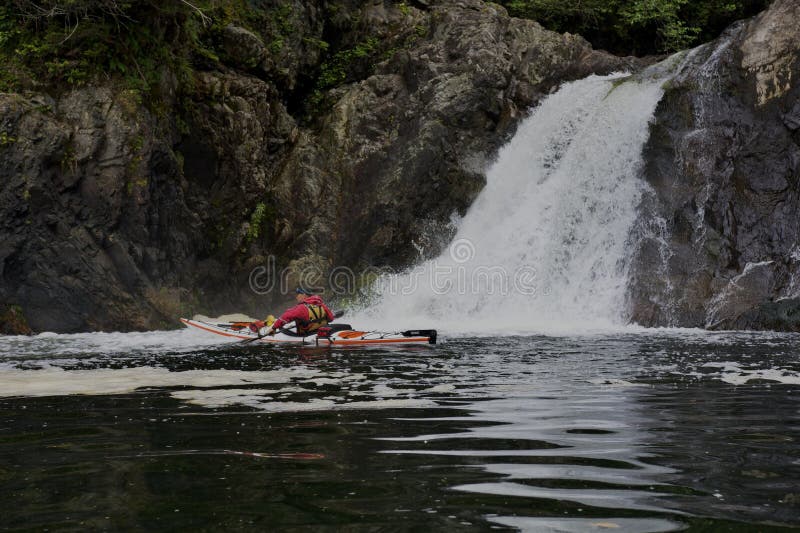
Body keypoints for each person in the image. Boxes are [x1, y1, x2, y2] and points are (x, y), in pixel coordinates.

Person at [250, 287, 334, 336]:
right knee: (276, 320)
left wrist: (273, 328)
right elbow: (331, 318)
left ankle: (261, 325)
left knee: (276, 321)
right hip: (315, 331)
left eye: (298, 294)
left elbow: (284, 317)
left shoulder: (301, 308)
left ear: (304, 295)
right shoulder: (321, 304)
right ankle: (265, 323)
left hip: (305, 333)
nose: (296, 297)